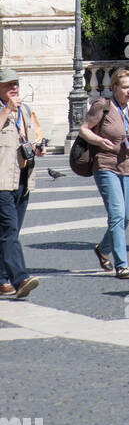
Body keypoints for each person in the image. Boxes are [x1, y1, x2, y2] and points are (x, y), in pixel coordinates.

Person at [79, 68, 129, 281]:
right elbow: (84, 129)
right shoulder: (102, 106)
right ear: (114, 87)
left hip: (128, 166)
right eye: (125, 87)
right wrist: (98, 141)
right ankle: (122, 265)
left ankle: (102, 249)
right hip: (105, 164)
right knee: (116, 214)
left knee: (125, 217)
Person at [0, 66, 45, 299]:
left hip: (22, 178)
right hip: (1, 181)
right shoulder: (6, 110)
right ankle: (20, 278)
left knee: (9, 231)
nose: (14, 88)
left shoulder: (25, 110)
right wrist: (6, 111)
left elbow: (30, 138)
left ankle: (0, 279)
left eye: (15, 83)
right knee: (9, 230)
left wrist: (38, 147)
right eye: (8, 84)